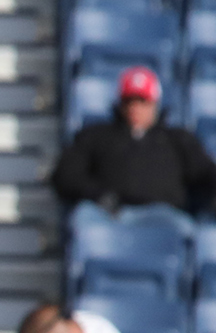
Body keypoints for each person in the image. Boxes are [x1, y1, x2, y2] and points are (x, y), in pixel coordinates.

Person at [54, 65, 216, 227]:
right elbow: (66, 175)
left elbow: (206, 173)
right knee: (85, 216)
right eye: (129, 101)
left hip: (164, 218)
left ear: (155, 104)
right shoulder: (96, 136)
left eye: (142, 101)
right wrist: (98, 195)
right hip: (110, 215)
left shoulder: (178, 139)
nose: (135, 108)